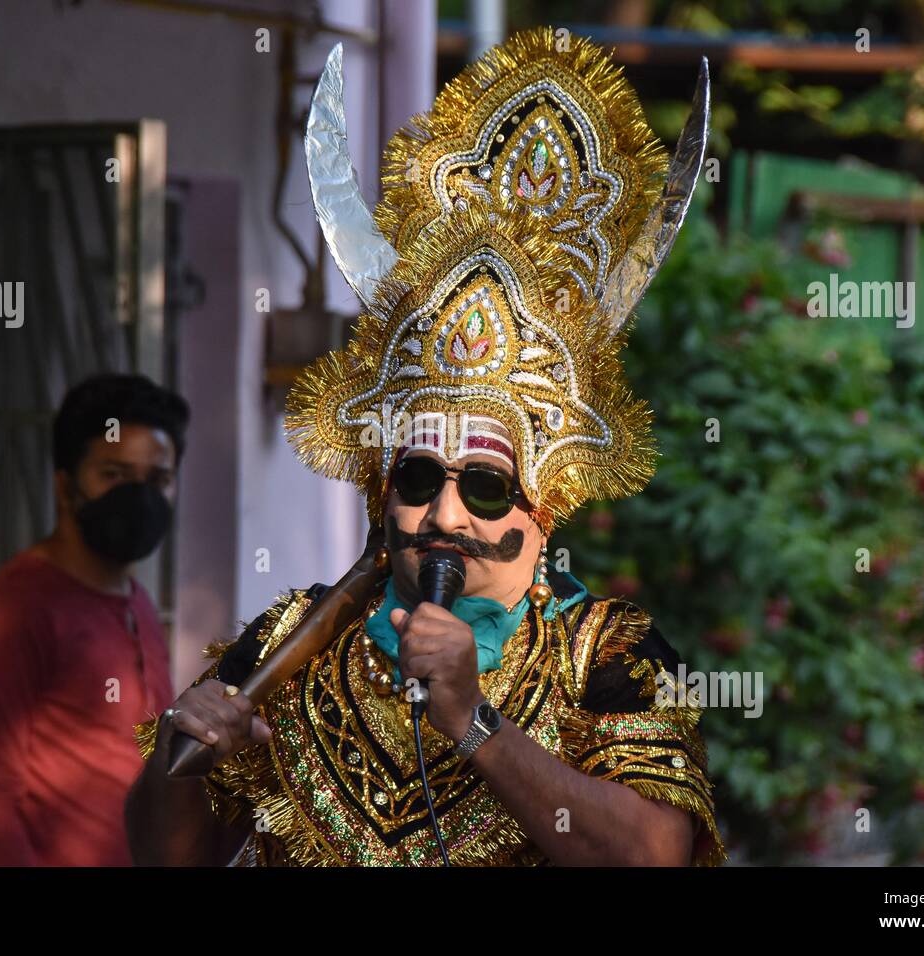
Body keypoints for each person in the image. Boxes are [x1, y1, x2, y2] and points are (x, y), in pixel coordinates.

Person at [126, 27, 725, 866]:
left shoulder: (610, 654)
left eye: (483, 486)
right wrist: (178, 765)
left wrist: (470, 717)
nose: (442, 512)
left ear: (542, 506)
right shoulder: (296, 643)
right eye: (417, 477)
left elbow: (655, 856)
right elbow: (165, 860)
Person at [0, 373, 187, 866]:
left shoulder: (139, 603)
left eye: (157, 480)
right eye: (114, 475)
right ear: (65, 486)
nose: (138, 497)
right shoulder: (10, 614)